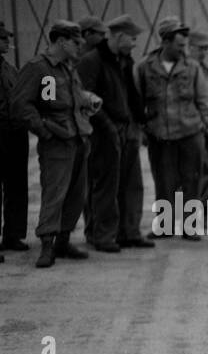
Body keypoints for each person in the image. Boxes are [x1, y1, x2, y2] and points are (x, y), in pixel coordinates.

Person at [11, 20, 93, 267]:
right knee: (54, 195)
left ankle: (64, 241)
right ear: (60, 41)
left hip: (77, 138)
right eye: (75, 42)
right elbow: (21, 105)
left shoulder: (68, 68)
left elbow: (73, 99)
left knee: (76, 194)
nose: (80, 47)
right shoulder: (38, 68)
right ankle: (47, 245)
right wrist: (44, 131)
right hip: (56, 143)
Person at [137, 16, 208, 240]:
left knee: (191, 181)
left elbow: (203, 98)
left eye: (185, 46)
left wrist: (207, 126)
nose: (183, 50)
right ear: (165, 42)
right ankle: (165, 227)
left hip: (190, 133)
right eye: (179, 45)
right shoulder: (144, 67)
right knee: (164, 182)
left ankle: (189, 228)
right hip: (160, 135)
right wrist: (143, 129)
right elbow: (138, 100)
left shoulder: (192, 67)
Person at [76, 15, 128, 251]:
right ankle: (103, 236)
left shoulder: (107, 59)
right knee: (104, 185)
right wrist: (108, 127)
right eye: (98, 33)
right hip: (98, 132)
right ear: (87, 34)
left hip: (101, 130)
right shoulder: (91, 60)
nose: (102, 37)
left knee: (98, 184)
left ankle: (95, 233)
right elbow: (90, 99)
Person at [105, 15, 153, 248]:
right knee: (109, 187)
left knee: (133, 185)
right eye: (132, 38)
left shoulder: (126, 61)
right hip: (109, 134)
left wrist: (141, 124)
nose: (135, 43)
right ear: (119, 36)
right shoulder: (97, 61)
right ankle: (106, 235)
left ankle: (130, 232)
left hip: (129, 130)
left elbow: (134, 97)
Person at [0, 20, 28, 260]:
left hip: (15, 133)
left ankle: (13, 234)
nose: (7, 42)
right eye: (2, 38)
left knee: (16, 186)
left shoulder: (10, 69)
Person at [188, 31, 208, 208]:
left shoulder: (205, 70)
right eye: (201, 48)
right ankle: (206, 208)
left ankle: (207, 206)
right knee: (201, 170)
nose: (204, 52)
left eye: (206, 49)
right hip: (196, 128)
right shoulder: (188, 70)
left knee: (204, 170)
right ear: (189, 47)